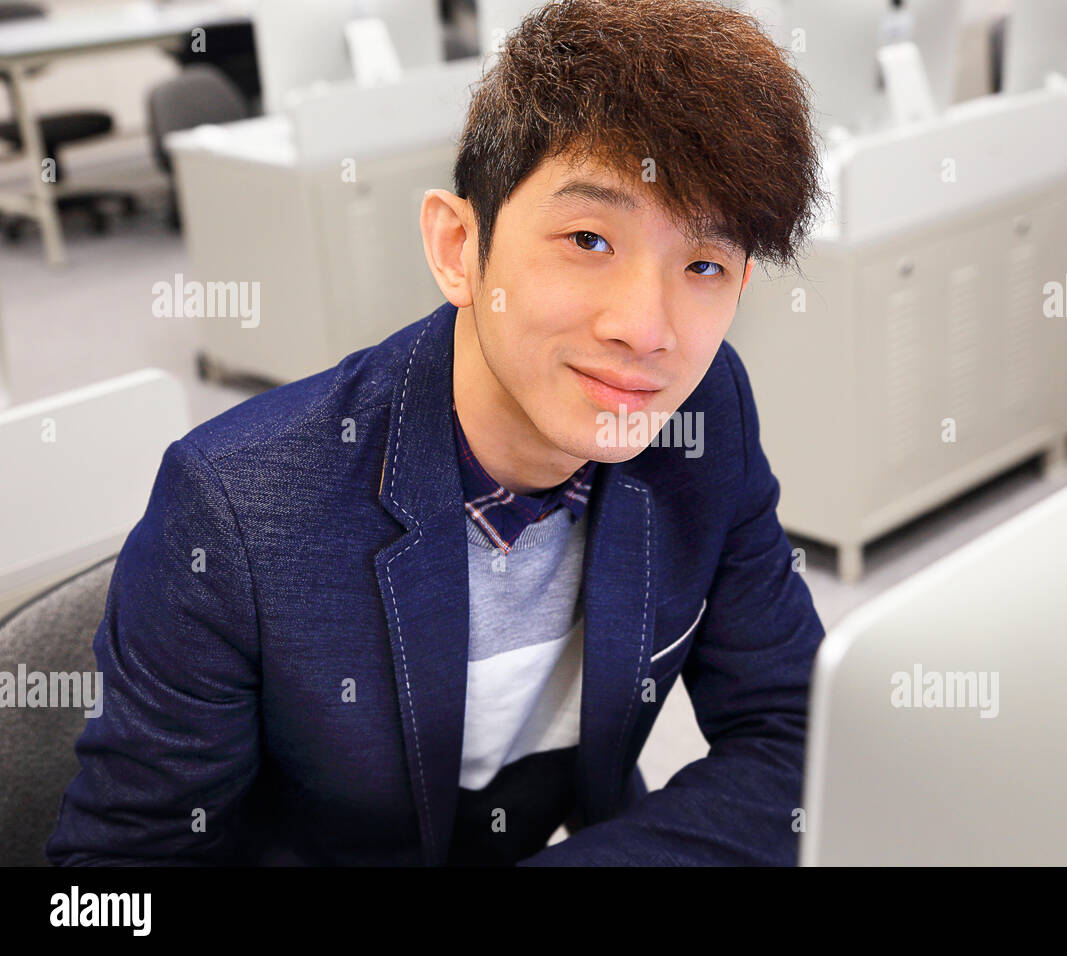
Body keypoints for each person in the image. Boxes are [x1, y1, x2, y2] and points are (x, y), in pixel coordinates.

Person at [46, 0, 828, 866]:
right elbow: (112, 879)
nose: (646, 330)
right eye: (588, 238)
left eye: (704, 265)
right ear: (459, 248)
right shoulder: (237, 505)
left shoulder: (702, 414)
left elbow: (796, 737)